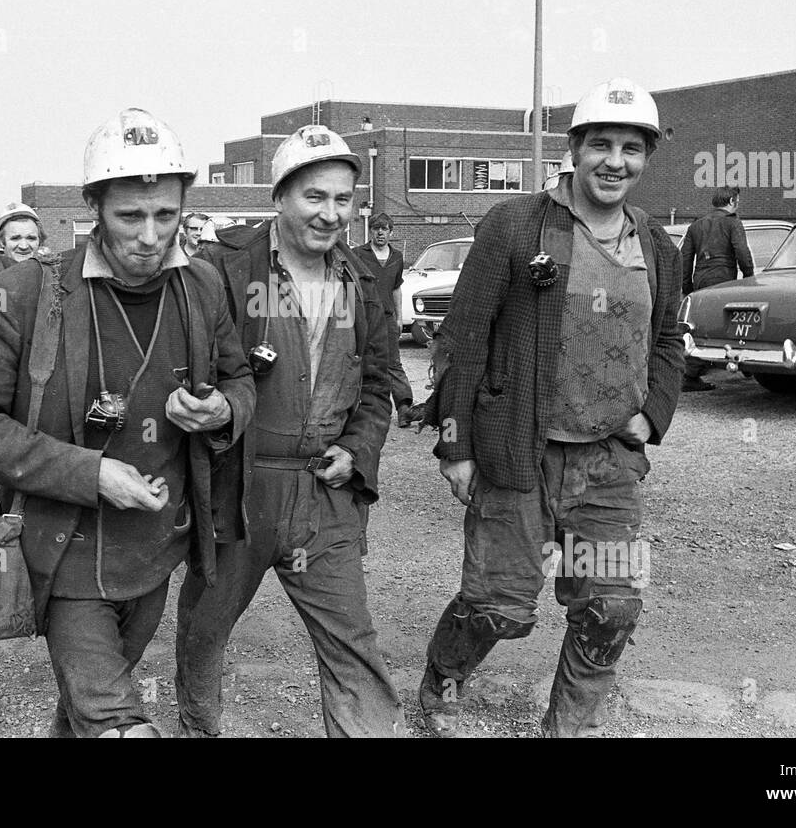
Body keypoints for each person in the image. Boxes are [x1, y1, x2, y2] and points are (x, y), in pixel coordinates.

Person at [0, 108, 255, 739]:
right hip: (66, 548)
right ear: (95, 209)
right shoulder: (28, 294)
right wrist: (91, 471)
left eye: (166, 215)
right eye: (131, 216)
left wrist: (223, 412)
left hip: (157, 549)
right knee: (116, 719)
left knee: (85, 708)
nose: (151, 235)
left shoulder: (204, 287)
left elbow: (241, 379)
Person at [418, 78, 683, 738]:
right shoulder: (515, 225)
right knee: (496, 607)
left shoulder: (656, 245)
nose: (614, 161)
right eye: (601, 144)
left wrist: (650, 415)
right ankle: (442, 677)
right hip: (518, 456)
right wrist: (454, 445)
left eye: (630, 147)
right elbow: (463, 340)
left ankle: (567, 725)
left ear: (646, 156)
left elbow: (671, 339)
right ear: (575, 147)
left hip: (609, 468)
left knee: (611, 606)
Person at [175, 123, 405, 738]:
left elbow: (380, 386)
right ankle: (199, 728)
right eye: (314, 197)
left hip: (324, 496)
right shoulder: (222, 270)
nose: (330, 214)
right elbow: (188, 366)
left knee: (352, 645)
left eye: (342, 199)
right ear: (279, 197)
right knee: (203, 629)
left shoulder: (362, 281)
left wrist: (356, 450)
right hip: (239, 486)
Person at [678, 190, 754, 391]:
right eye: (737, 201)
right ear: (731, 201)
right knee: (736, 322)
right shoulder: (732, 222)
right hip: (724, 278)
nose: (738, 204)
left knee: (701, 325)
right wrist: (749, 278)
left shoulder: (696, 225)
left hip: (701, 279)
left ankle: (691, 373)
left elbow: (685, 259)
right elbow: (742, 252)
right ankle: (747, 364)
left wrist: (687, 288)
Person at [353, 214, 420, 427]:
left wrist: (400, 317)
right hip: (365, 318)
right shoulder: (358, 254)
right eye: (376, 228)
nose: (380, 233)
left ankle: (404, 408)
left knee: (393, 364)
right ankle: (359, 410)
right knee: (362, 361)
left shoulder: (397, 257)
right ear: (370, 231)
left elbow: (396, 288)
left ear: (391, 232)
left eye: (385, 229)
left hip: (388, 318)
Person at [0, 201, 44, 265]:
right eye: (15, 238)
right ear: (1, 242)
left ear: (40, 241)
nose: (24, 246)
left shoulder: (52, 274)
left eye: (31, 238)